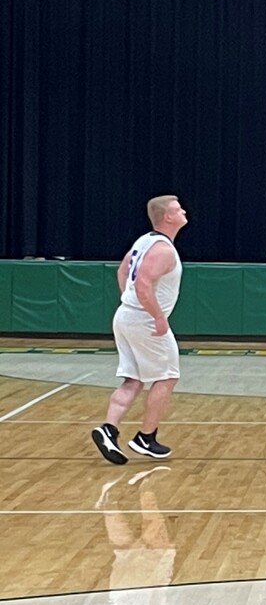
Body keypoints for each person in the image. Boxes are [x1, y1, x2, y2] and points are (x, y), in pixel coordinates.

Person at [90, 195, 188, 465]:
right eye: (178, 209)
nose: (184, 211)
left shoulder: (144, 241)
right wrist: (157, 316)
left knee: (132, 379)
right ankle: (146, 436)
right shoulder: (163, 249)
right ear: (168, 217)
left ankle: (108, 429)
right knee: (167, 377)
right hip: (144, 319)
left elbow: (123, 271)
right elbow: (143, 282)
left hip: (126, 315)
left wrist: (128, 300)